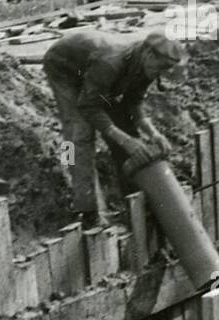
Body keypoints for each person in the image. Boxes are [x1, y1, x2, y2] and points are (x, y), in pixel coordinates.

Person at [43, 29, 186, 227]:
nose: (156, 75)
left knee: (126, 132)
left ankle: (132, 201)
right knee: (78, 134)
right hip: (64, 66)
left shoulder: (147, 64)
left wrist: (153, 132)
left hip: (95, 74)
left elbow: (133, 103)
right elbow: (88, 106)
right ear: (148, 54)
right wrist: (123, 139)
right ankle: (86, 210)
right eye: (157, 69)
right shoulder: (111, 62)